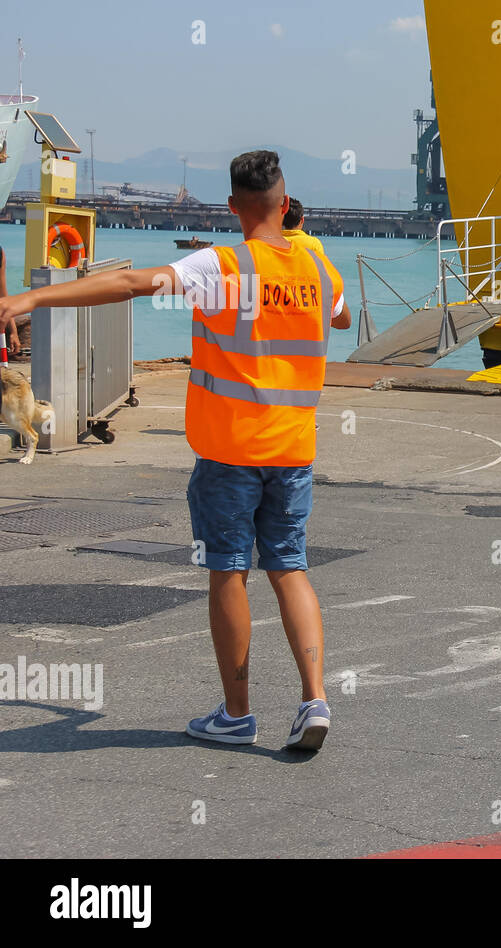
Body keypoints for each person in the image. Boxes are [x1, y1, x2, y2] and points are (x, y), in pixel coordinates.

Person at [0, 149, 351, 751]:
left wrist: (32, 300)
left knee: (228, 574)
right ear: (287, 203)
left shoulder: (221, 266)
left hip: (229, 454)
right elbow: (340, 322)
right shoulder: (320, 269)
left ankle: (238, 715)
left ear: (233, 207)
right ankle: (314, 699)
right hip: (294, 452)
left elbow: (132, 283)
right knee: (289, 567)